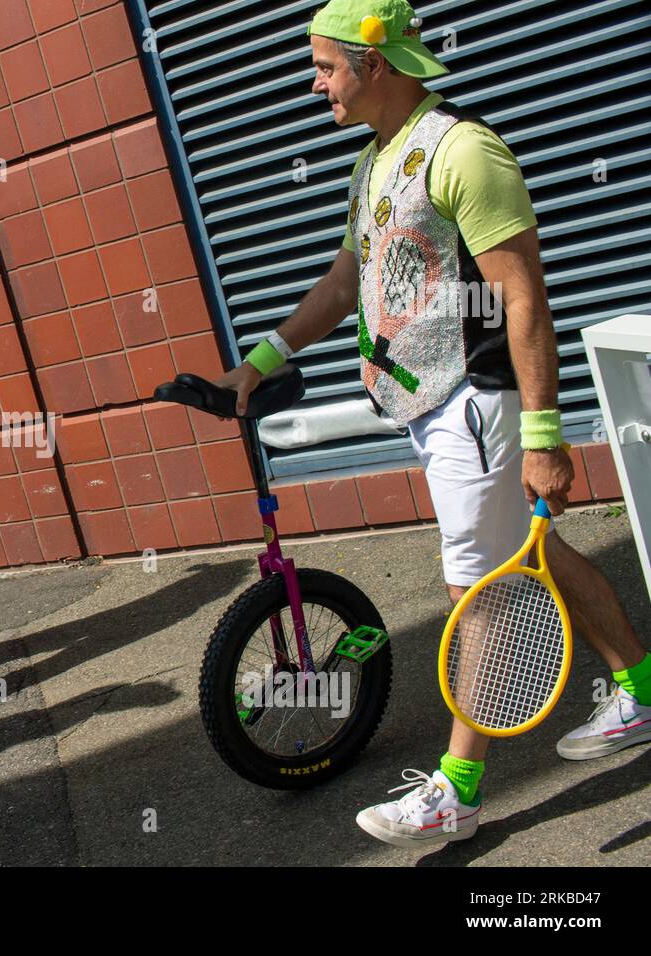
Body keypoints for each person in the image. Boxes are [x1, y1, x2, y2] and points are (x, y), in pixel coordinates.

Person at [213, 0, 651, 847]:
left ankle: (458, 788)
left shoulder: (464, 152)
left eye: (325, 68)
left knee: (474, 593)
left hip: (476, 404)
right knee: (533, 559)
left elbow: (523, 295)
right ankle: (639, 684)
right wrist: (257, 365)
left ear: (374, 66)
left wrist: (545, 436)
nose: (315, 86)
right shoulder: (375, 162)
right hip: (428, 406)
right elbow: (345, 284)